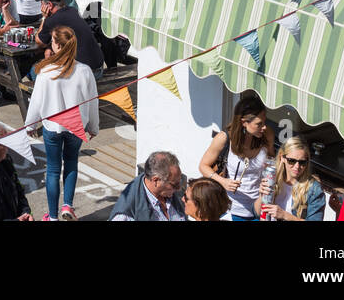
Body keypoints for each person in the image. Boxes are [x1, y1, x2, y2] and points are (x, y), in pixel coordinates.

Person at [25, 25, 99, 221]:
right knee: (72, 163)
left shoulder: (46, 71)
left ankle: (53, 216)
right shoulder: (84, 71)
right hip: (77, 126)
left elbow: (36, 101)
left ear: (57, 45)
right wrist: (93, 126)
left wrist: (30, 125)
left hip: (52, 127)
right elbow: (93, 100)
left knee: (53, 170)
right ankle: (68, 205)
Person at [199, 91, 276, 221]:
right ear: (243, 122)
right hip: (232, 209)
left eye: (264, 122)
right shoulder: (224, 138)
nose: (263, 127)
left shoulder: (266, 134)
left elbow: (271, 160)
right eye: (259, 124)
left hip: (259, 207)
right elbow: (203, 166)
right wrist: (223, 181)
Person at [34, 0, 104, 77]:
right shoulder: (72, 10)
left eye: (42, 4)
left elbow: (39, 42)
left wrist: (44, 17)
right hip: (98, 67)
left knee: (36, 71)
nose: (41, 7)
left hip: (85, 74)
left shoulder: (51, 20)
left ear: (49, 5)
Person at [255, 136, 326, 221]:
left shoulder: (314, 189)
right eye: (292, 161)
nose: (297, 166)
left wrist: (285, 215)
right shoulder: (272, 177)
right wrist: (261, 196)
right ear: (282, 157)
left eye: (302, 162)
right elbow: (256, 213)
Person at [110, 151, 187, 221]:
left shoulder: (169, 192)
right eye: (174, 185)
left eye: (180, 181)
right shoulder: (125, 215)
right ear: (156, 180)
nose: (179, 188)